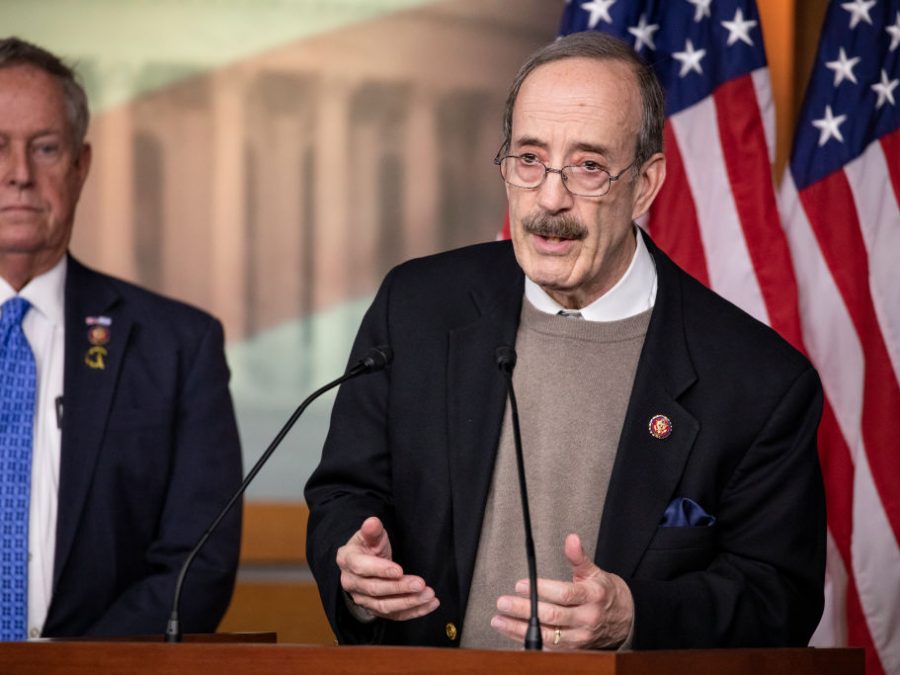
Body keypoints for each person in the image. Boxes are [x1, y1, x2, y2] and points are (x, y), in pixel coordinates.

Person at [305, 31, 825, 650]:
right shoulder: (416, 307)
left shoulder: (756, 380)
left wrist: (637, 615)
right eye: (529, 158)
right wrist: (355, 568)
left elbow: (779, 597)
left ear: (646, 184)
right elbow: (344, 491)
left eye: (589, 167)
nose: (550, 199)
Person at [0, 37, 242, 639]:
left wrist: (76, 668)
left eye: (45, 148)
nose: (19, 174)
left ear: (80, 166)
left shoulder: (179, 347)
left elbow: (197, 566)